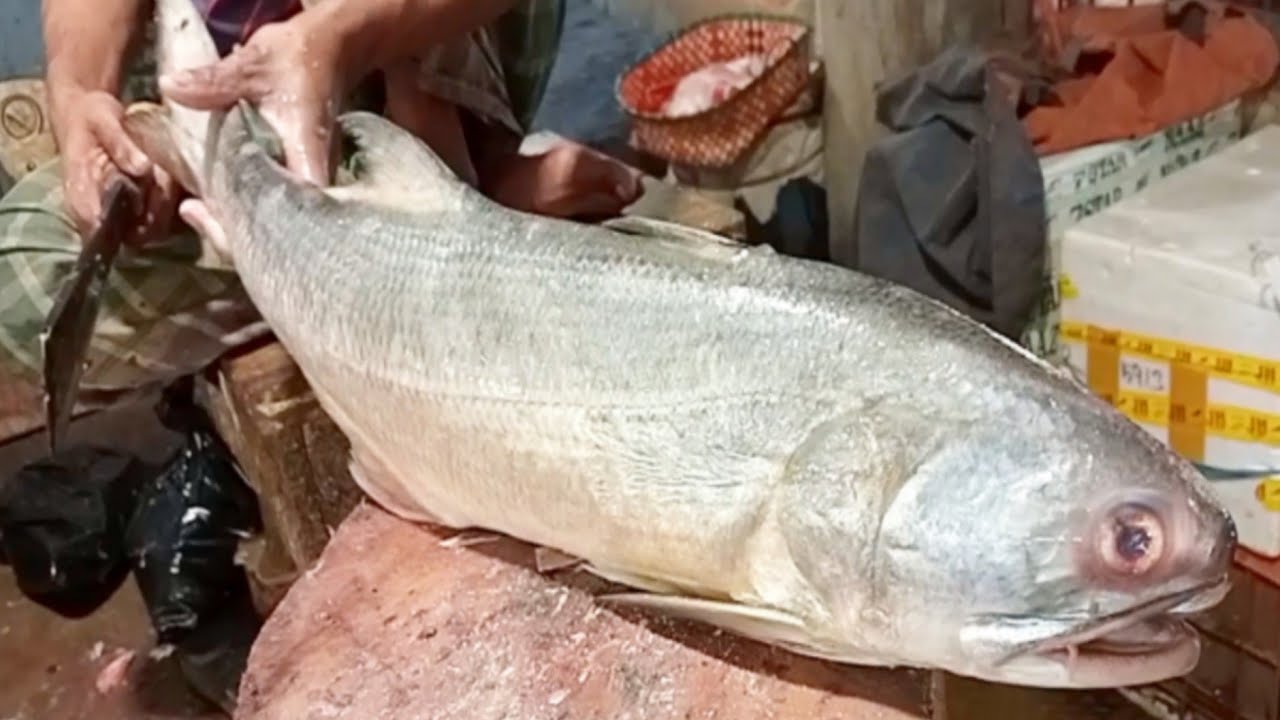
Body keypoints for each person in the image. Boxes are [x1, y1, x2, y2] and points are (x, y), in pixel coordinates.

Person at [0, 0, 644, 436]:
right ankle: (428, 205)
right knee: (22, 282)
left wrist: (336, 37)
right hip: (230, 79)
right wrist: (82, 97)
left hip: (409, 47)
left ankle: (442, 171)